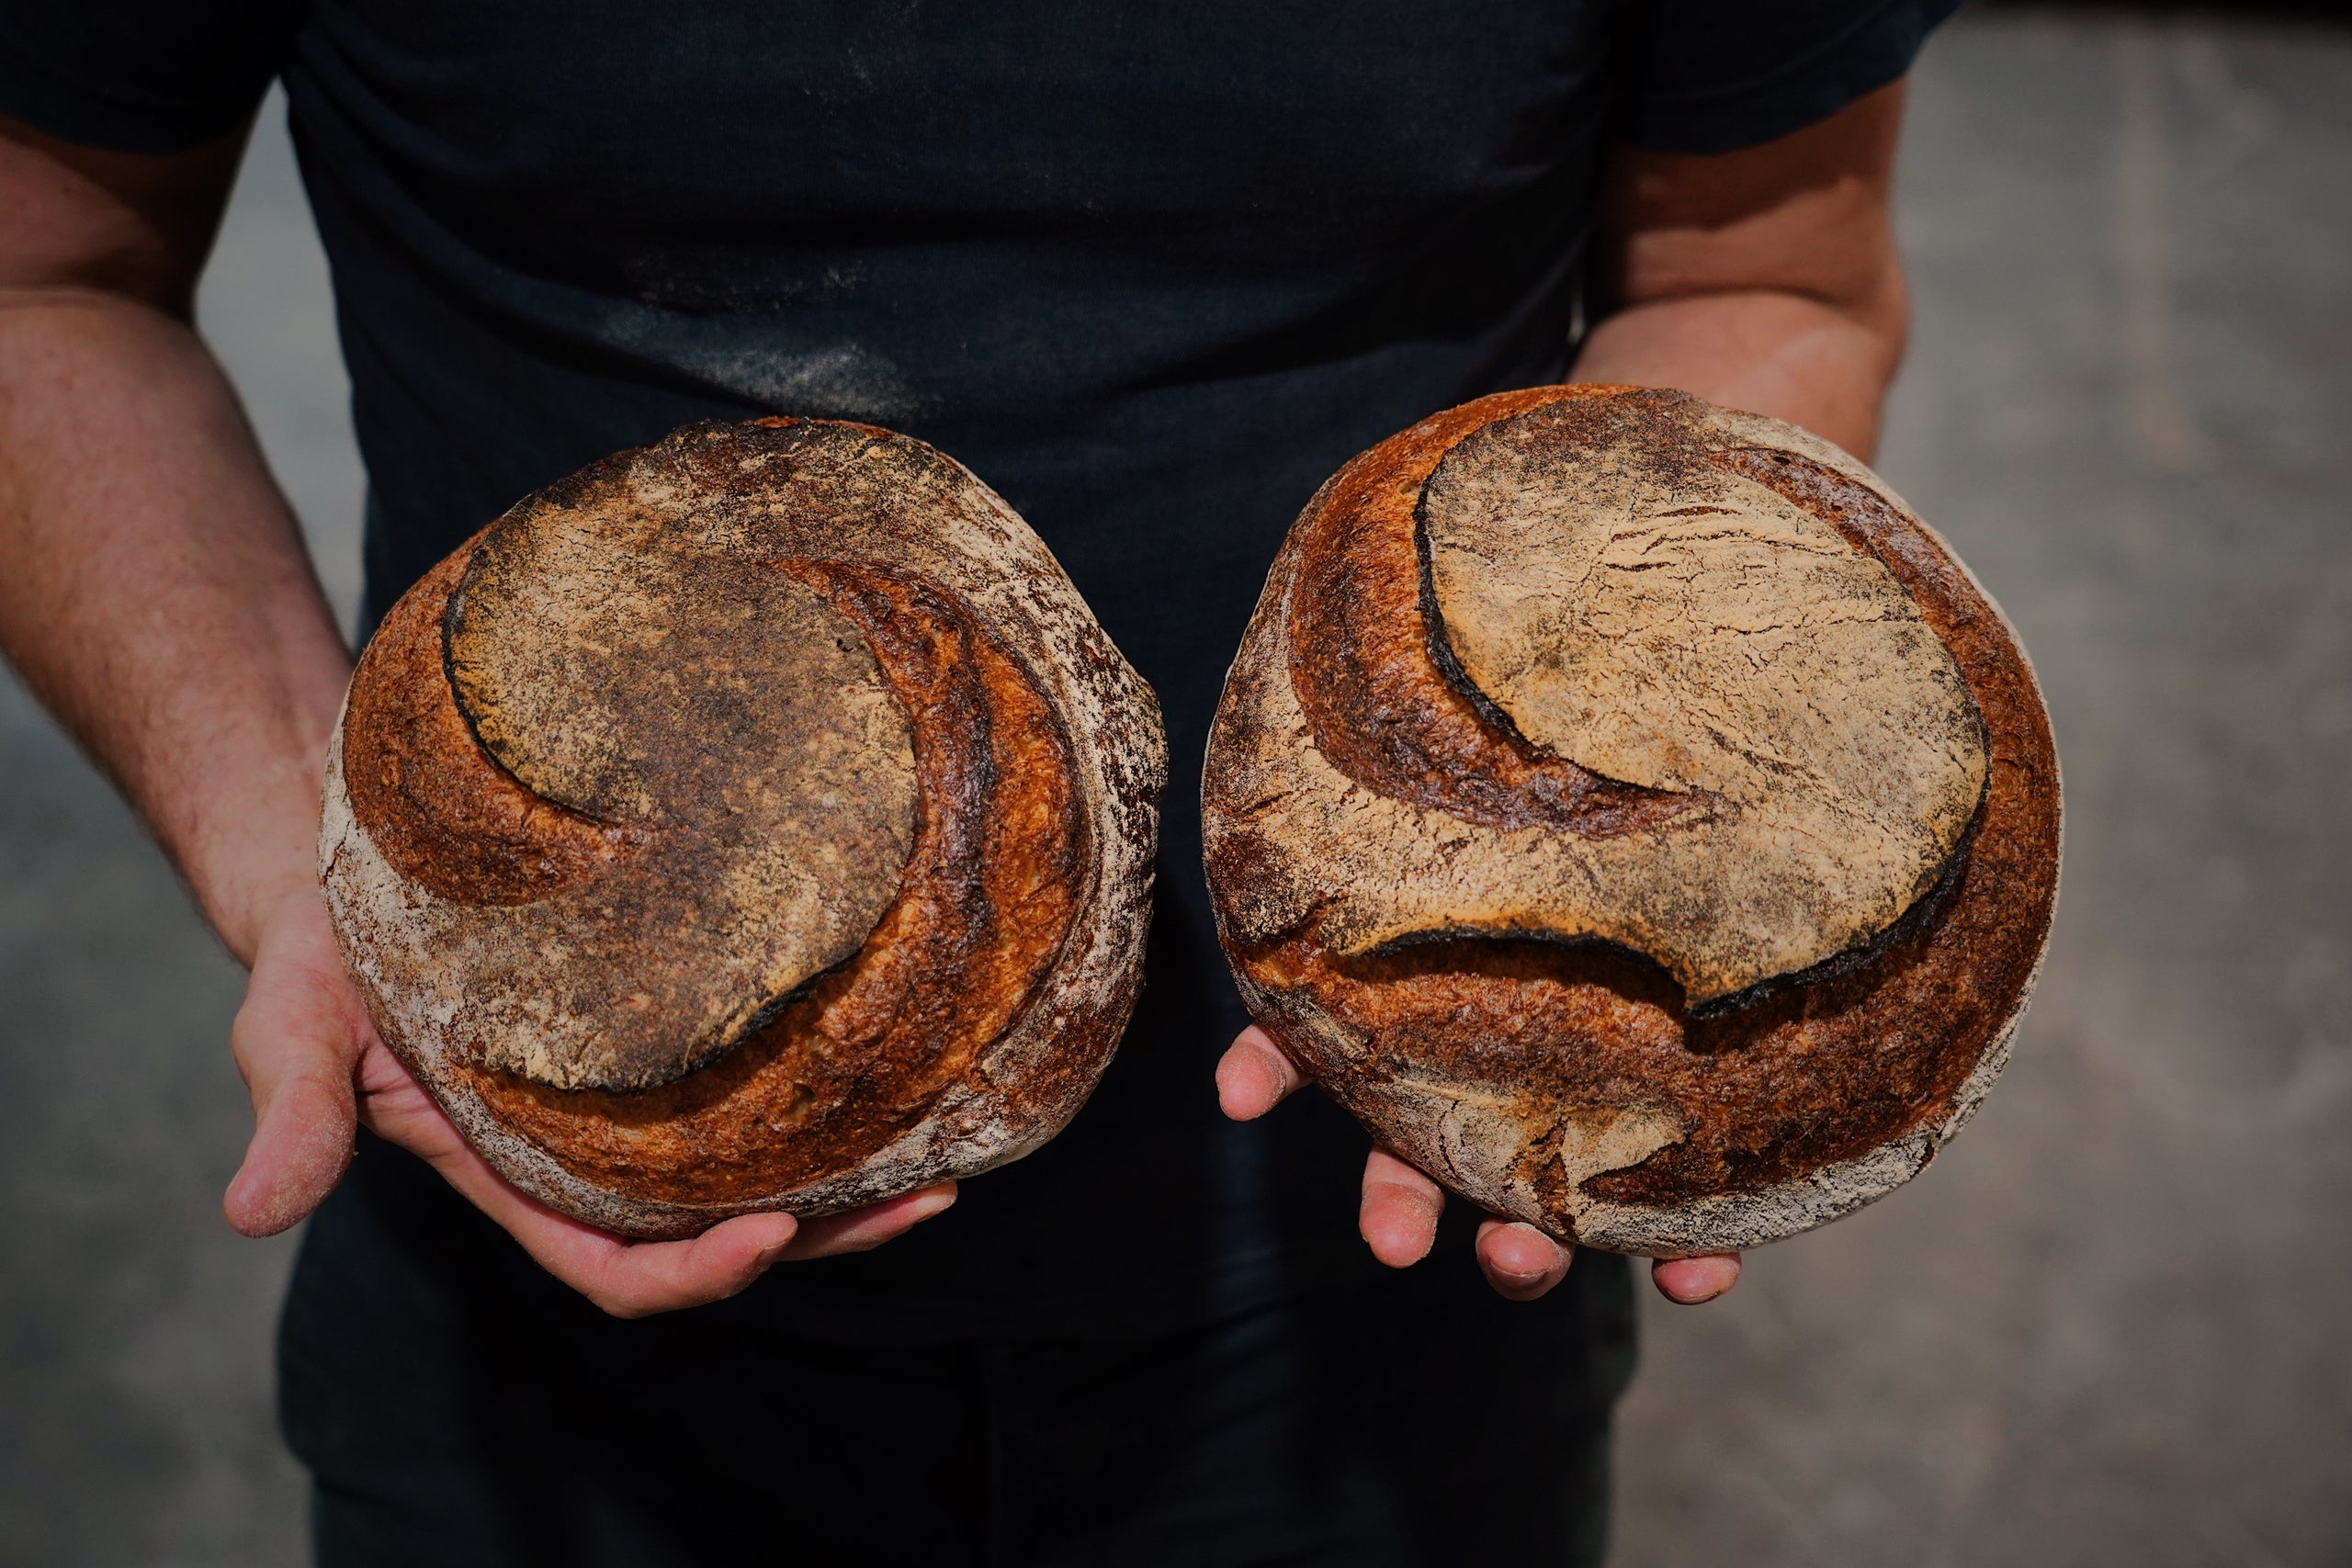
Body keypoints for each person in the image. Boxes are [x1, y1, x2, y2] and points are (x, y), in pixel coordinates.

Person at [0, 1, 1951, 1561]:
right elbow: (40, 275)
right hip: (535, 1234)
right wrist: (299, 863)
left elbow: (1759, 270)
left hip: (1382, 1260)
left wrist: (1714, 837)